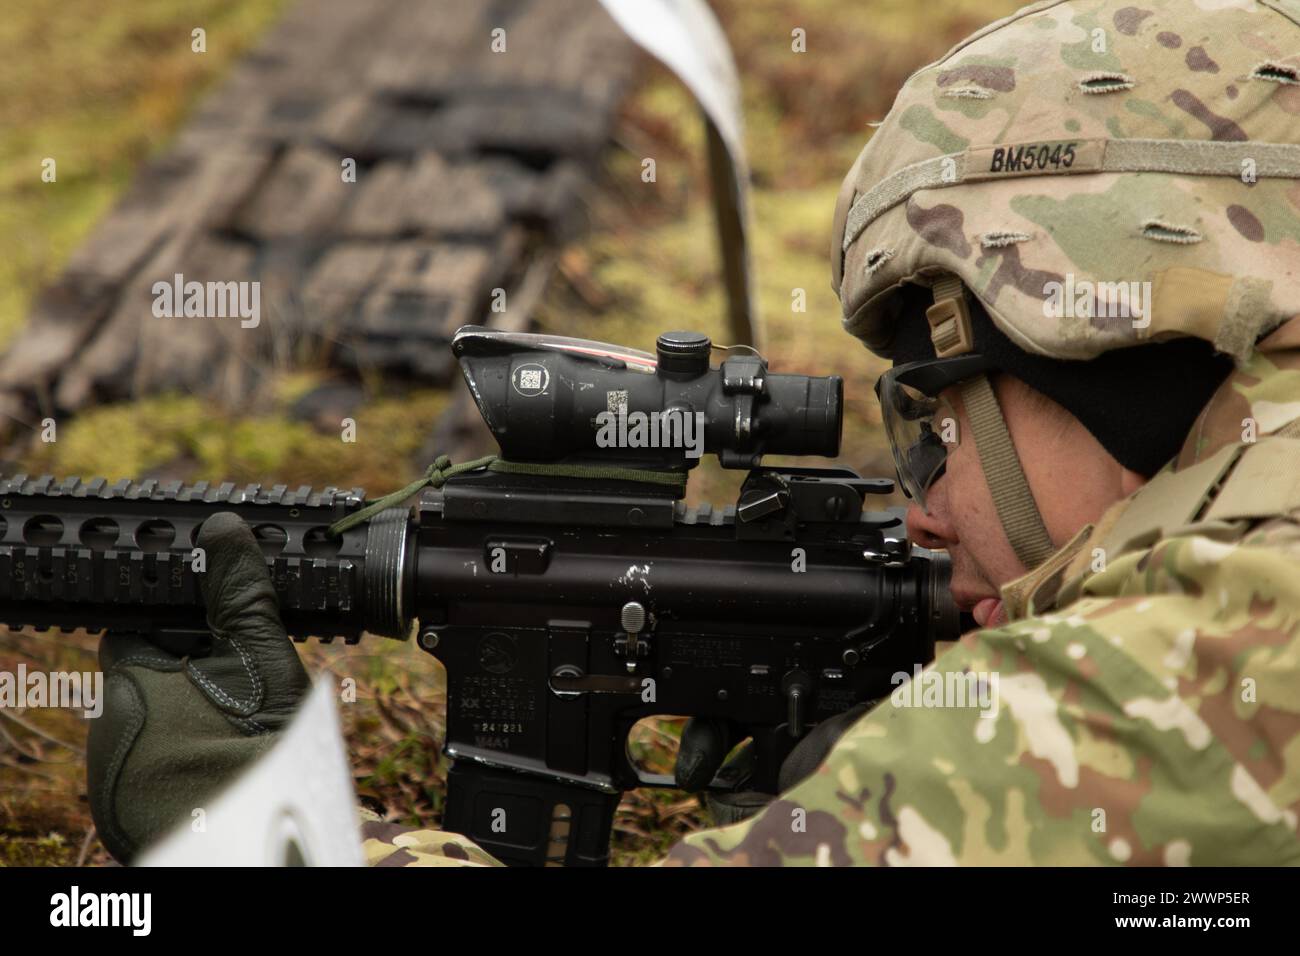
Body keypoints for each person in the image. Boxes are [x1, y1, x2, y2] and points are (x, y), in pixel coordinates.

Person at [88, 0, 1300, 866]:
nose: (919, 501)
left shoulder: (1157, 688)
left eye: (936, 418)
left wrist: (253, 825)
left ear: (1114, 358)